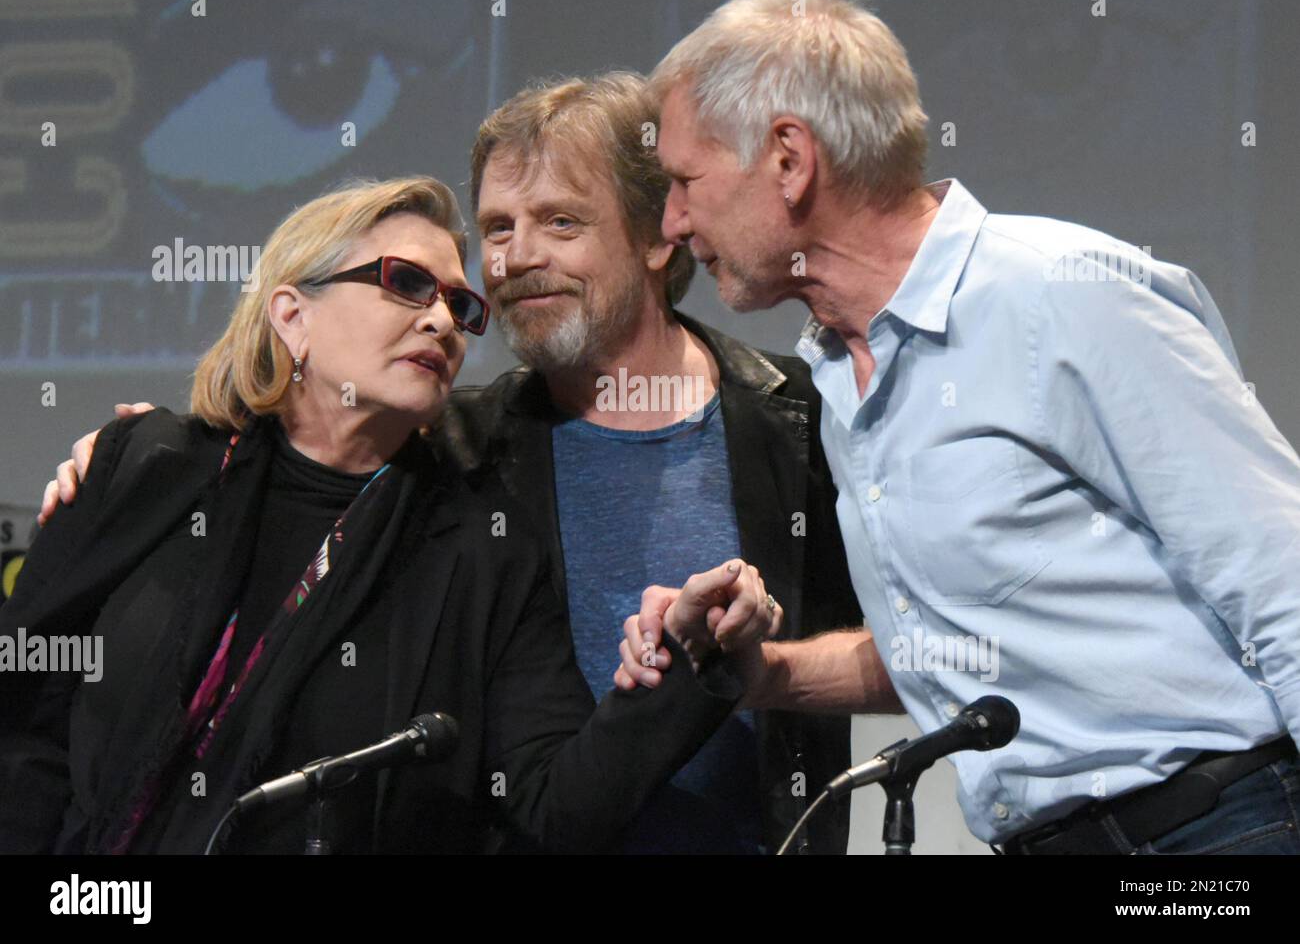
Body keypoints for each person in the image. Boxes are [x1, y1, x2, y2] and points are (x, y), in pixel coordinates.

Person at [42, 74, 901, 855]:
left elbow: (930, 656)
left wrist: (747, 668)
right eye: (498, 227)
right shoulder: (454, 453)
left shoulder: (801, 421)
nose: (515, 257)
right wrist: (128, 461)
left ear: (657, 236)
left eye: (561, 221)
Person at [626, 0, 1300, 855]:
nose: (673, 222)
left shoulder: (1063, 296)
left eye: (684, 180)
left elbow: (1280, 578)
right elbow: (950, 648)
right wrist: (765, 672)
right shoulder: (839, 371)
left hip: (1217, 838)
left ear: (789, 157)